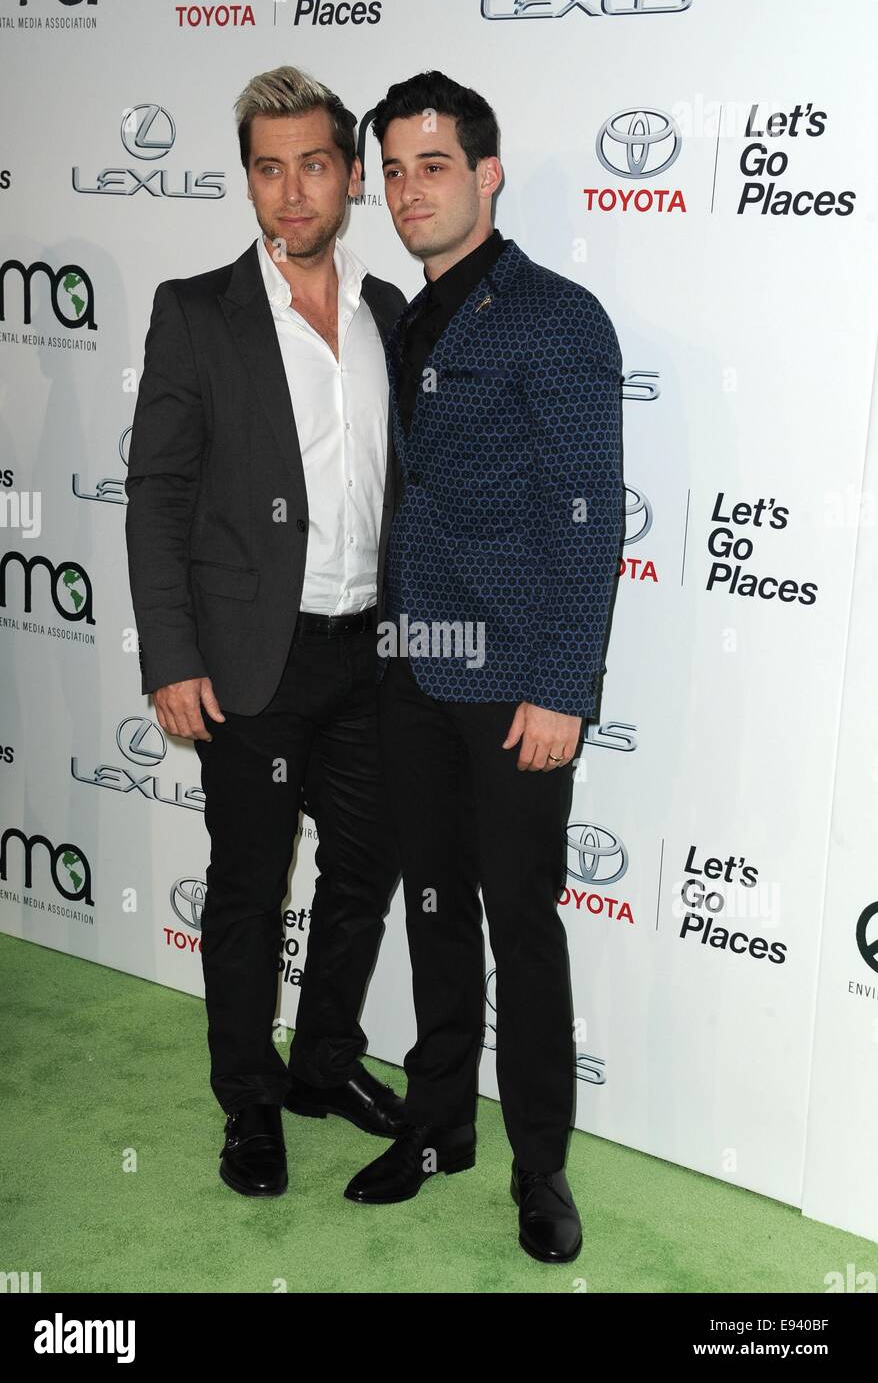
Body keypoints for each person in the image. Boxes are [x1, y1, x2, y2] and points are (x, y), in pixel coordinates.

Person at [343, 71, 625, 1264]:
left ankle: (542, 1168)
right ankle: (437, 1123)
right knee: (434, 909)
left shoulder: (558, 316)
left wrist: (563, 684)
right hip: (413, 668)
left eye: (434, 166)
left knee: (525, 924)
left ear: (487, 173)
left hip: (516, 691)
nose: (411, 190)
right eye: (395, 170)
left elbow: (585, 515)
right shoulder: (400, 319)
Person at [125, 65, 407, 1200]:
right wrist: (172, 654)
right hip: (254, 657)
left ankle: (324, 1062)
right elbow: (155, 492)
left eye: (314, 165)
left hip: (371, 654)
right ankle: (249, 1099)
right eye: (268, 168)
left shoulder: (391, 315)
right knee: (247, 888)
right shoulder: (197, 311)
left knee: (363, 869)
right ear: (247, 179)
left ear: (349, 176)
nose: (292, 192)